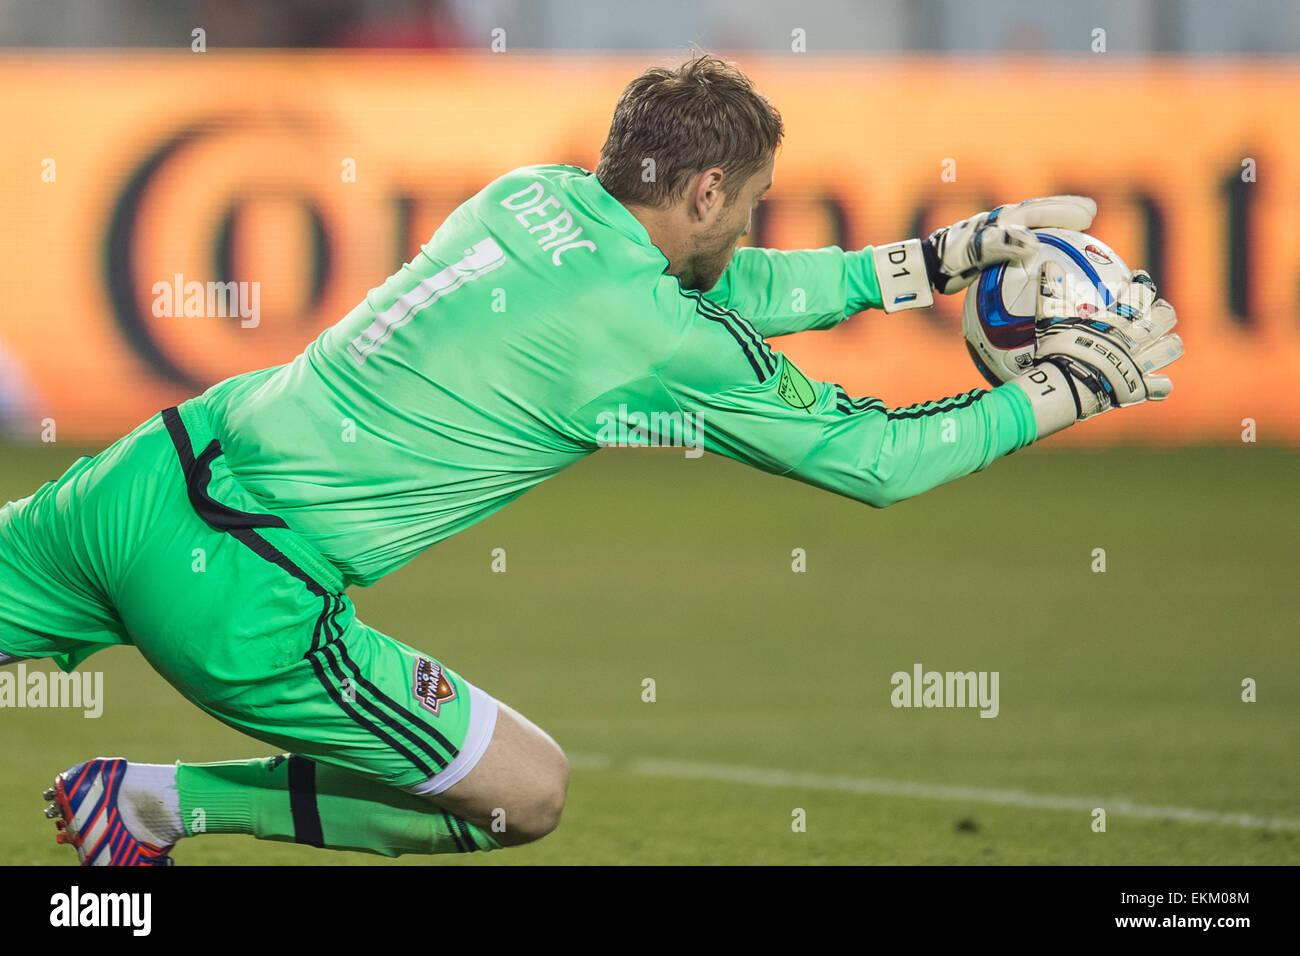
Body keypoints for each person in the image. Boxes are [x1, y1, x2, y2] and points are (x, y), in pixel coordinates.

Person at [1, 54, 1181, 865]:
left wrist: (933, 260)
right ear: (709, 187)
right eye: (750, 203)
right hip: (242, 589)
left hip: (146, 472)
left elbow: (723, 282)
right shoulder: (656, 337)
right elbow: (875, 458)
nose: (752, 229)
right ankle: (154, 799)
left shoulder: (533, 198)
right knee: (520, 796)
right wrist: (1066, 388)